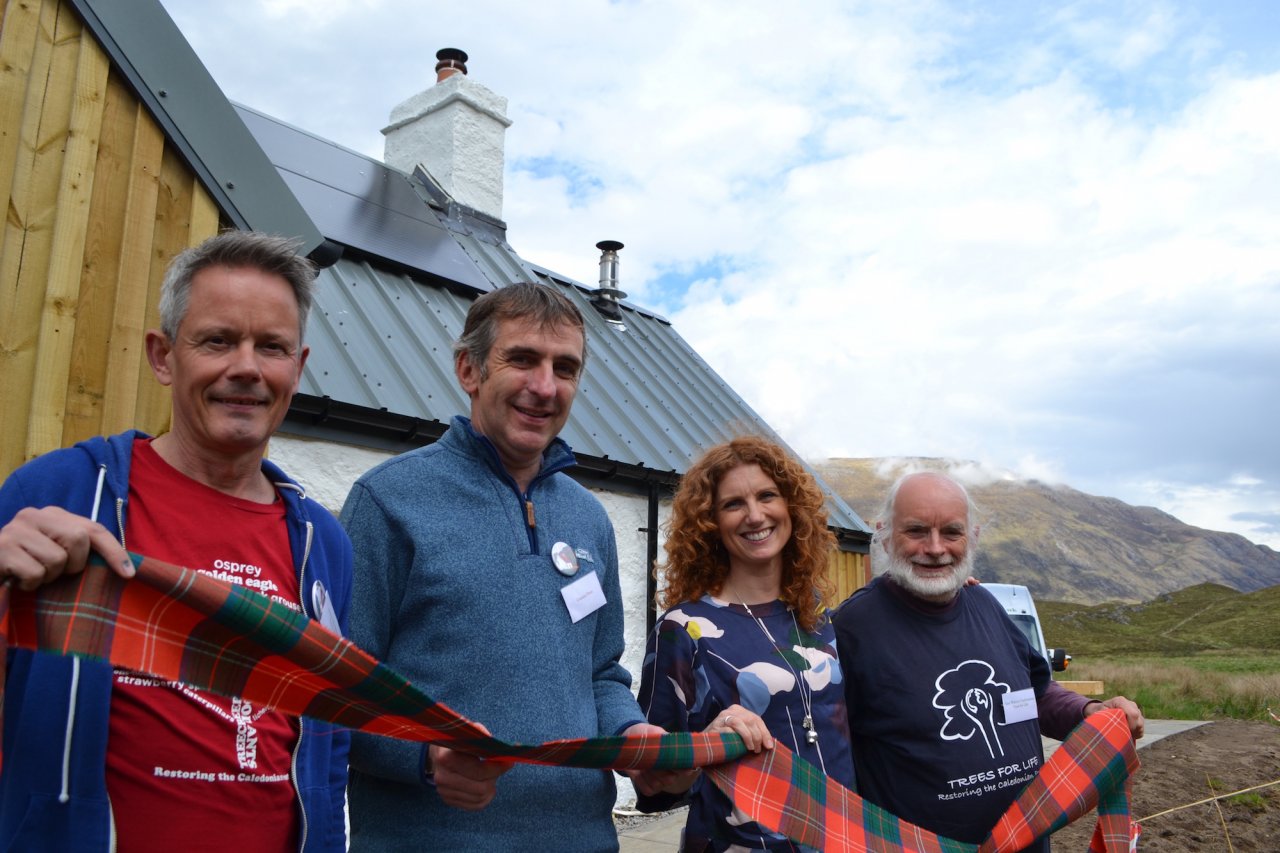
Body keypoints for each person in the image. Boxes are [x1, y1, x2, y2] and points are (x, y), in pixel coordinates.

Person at [0, 231, 353, 852]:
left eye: (271, 347)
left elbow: (328, 731)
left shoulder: (322, 542)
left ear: (296, 369)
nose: (246, 367)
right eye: (217, 340)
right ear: (164, 357)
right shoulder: (59, 491)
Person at [340, 282, 663, 851]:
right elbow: (336, 691)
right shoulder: (388, 501)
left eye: (565, 368)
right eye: (522, 359)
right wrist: (423, 756)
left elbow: (600, 675)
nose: (545, 387)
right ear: (470, 369)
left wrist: (631, 734)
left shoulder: (588, 518)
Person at [833, 471, 1144, 851]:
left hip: (1025, 841)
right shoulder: (851, 629)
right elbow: (825, 750)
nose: (934, 548)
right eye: (916, 531)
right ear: (883, 534)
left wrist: (1089, 712)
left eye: (951, 532)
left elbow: (1036, 693)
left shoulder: (986, 606)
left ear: (973, 537)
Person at [637, 436, 855, 852]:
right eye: (733, 504)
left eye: (767, 496)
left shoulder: (815, 616)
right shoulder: (684, 629)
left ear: (791, 507)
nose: (755, 516)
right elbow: (654, 787)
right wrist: (705, 747)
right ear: (710, 522)